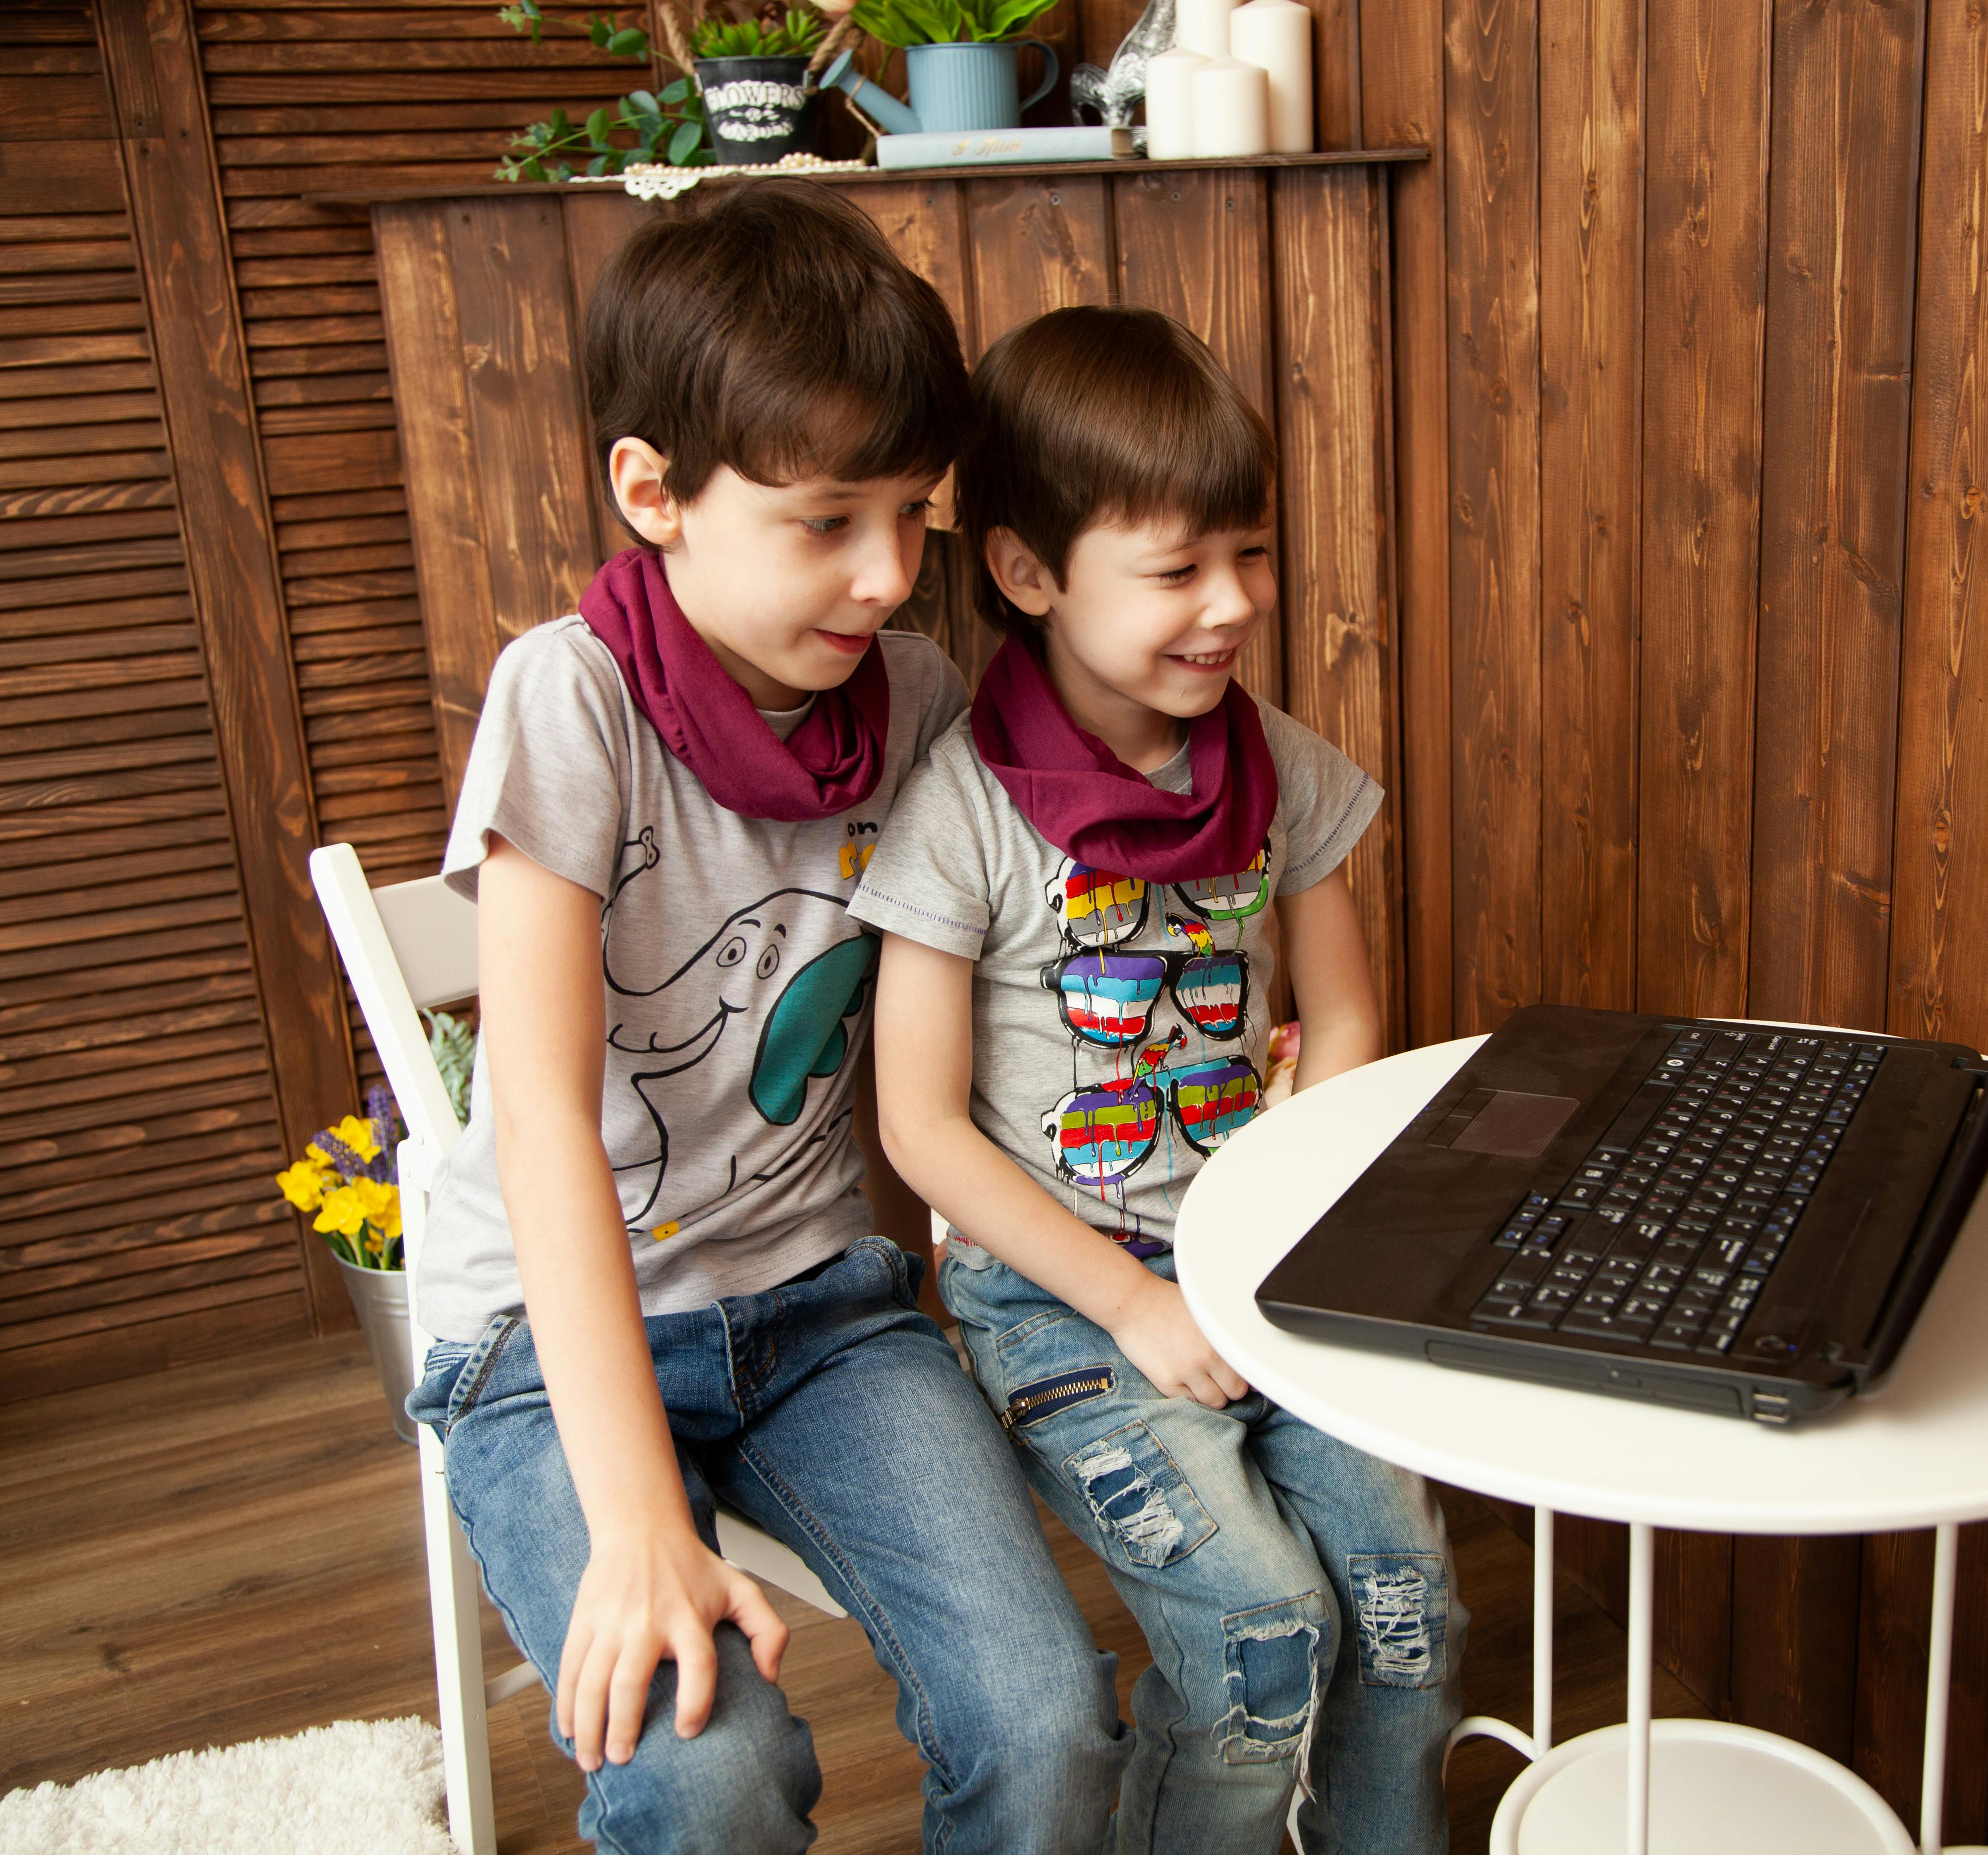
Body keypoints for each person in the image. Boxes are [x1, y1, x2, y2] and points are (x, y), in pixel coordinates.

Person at [403, 182, 1127, 1855]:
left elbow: (1013, 980)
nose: (887, 576)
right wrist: (644, 1521)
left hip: (818, 1306)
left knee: (1053, 1730)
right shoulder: (567, 701)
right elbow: (538, 1135)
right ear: (653, 492)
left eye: (913, 515)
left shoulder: (923, 702)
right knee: (702, 1780)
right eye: (824, 522)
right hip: (546, 1341)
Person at [853, 305, 1465, 1855]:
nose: (1234, 604)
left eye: (1250, 555)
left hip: (1262, 1259)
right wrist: (1133, 1303)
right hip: (1066, 1300)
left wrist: (1283, 1232)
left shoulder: (1286, 772)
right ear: (1027, 572)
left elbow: (1343, 1021)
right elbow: (919, 1127)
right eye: (1178, 570)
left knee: (1407, 1606)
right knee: (1264, 1637)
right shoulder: (961, 818)